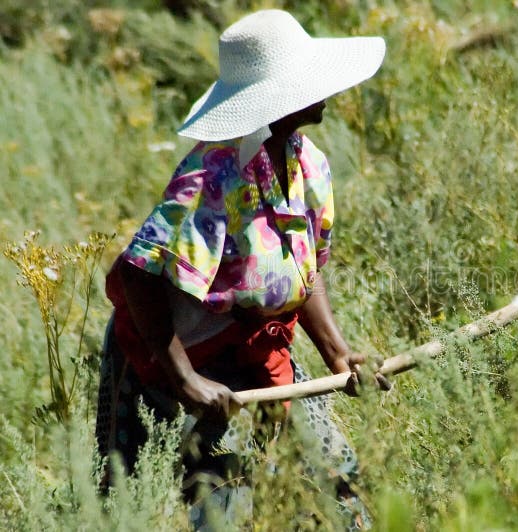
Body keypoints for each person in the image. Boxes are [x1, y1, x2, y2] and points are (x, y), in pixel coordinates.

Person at [94, 10, 386, 529]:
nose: (324, 91)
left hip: (255, 346)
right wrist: (184, 379)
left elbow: (303, 269)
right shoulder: (215, 173)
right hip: (180, 353)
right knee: (216, 496)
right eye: (307, 82)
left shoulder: (306, 162)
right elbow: (138, 271)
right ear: (277, 100)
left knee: (336, 473)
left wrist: (339, 356)